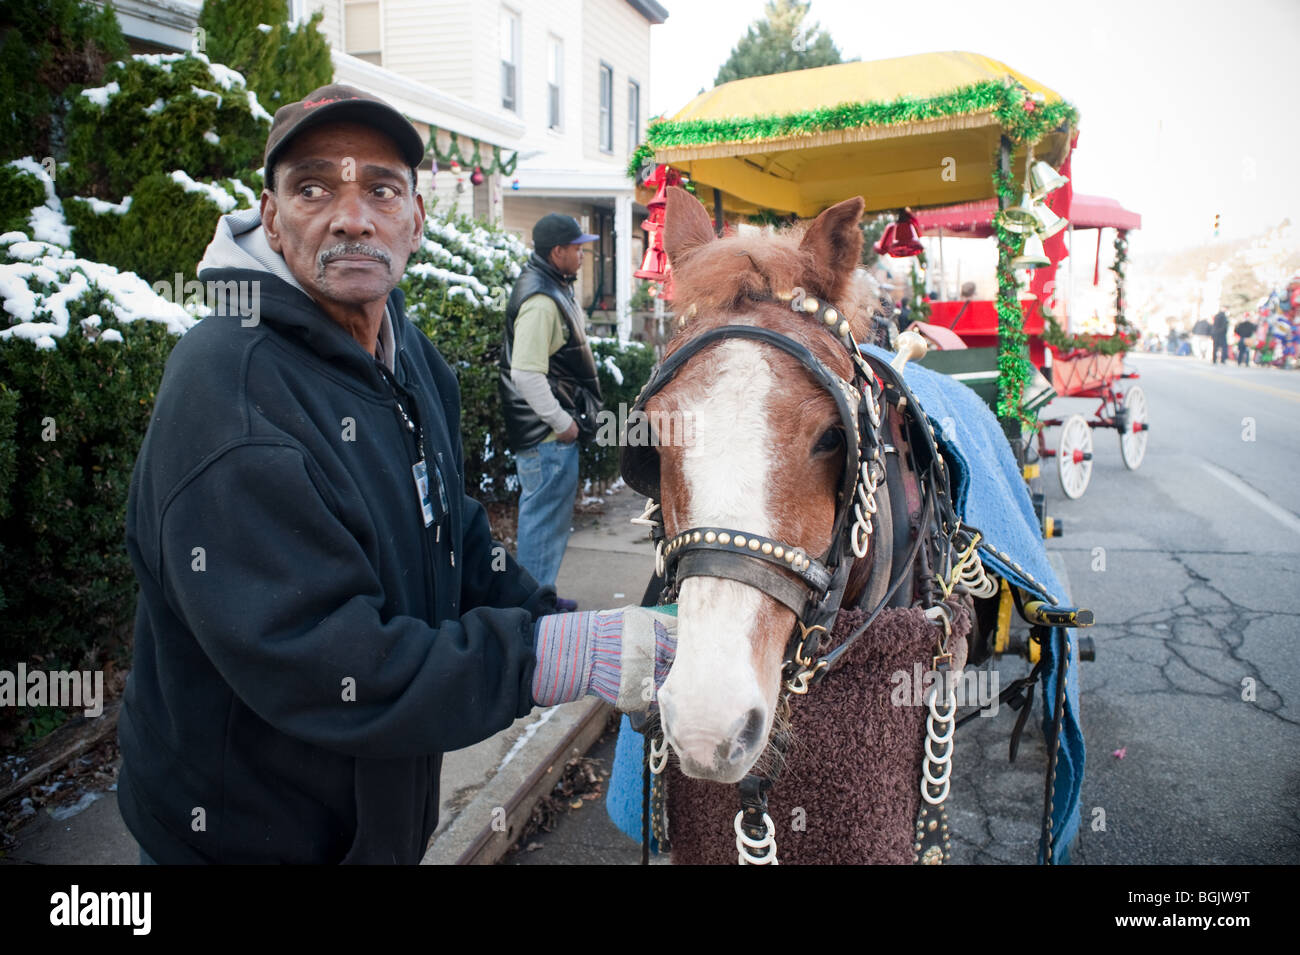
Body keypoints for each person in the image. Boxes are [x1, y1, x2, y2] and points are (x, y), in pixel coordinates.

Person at [120, 84, 673, 864]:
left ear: (415, 217)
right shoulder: (231, 394)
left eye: (381, 188)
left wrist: (556, 617)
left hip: (374, 825)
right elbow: (327, 659)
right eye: (313, 187)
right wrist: (554, 657)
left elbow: (453, 528)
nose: (352, 216)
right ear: (272, 218)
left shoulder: (405, 351)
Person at [499, 214, 603, 605]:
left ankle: (540, 598)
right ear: (557, 252)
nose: (581, 255)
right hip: (547, 439)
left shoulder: (551, 286)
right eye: (576, 248)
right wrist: (563, 424)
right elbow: (525, 374)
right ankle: (533, 612)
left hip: (547, 438)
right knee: (543, 526)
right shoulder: (542, 300)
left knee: (547, 524)